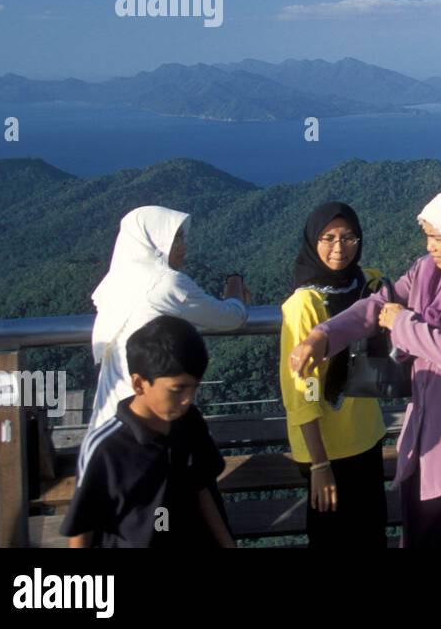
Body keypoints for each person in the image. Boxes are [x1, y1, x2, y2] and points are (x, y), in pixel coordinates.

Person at [291, 186, 441, 548]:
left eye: (438, 237)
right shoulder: (426, 273)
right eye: (427, 237)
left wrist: (403, 325)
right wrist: (323, 336)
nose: (429, 246)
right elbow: (377, 305)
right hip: (428, 447)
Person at [81, 206, 248, 479]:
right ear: (154, 240)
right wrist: (235, 291)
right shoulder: (166, 283)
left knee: (136, 512)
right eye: (175, 237)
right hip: (147, 419)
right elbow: (230, 318)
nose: (182, 246)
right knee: (159, 508)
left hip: (110, 419)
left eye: (182, 237)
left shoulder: (116, 282)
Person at [62, 315, 235, 548]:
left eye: (194, 388)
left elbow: (202, 488)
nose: (187, 400)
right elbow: (83, 528)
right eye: (178, 389)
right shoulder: (107, 448)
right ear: (139, 384)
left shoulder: (189, 422)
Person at [279, 202, 389, 548]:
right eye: (327, 238)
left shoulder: (369, 283)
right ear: (313, 241)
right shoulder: (304, 306)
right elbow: (302, 392)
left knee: (372, 536)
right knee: (331, 540)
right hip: (325, 450)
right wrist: (319, 465)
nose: (339, 247)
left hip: (366, 436)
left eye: (348, 237)